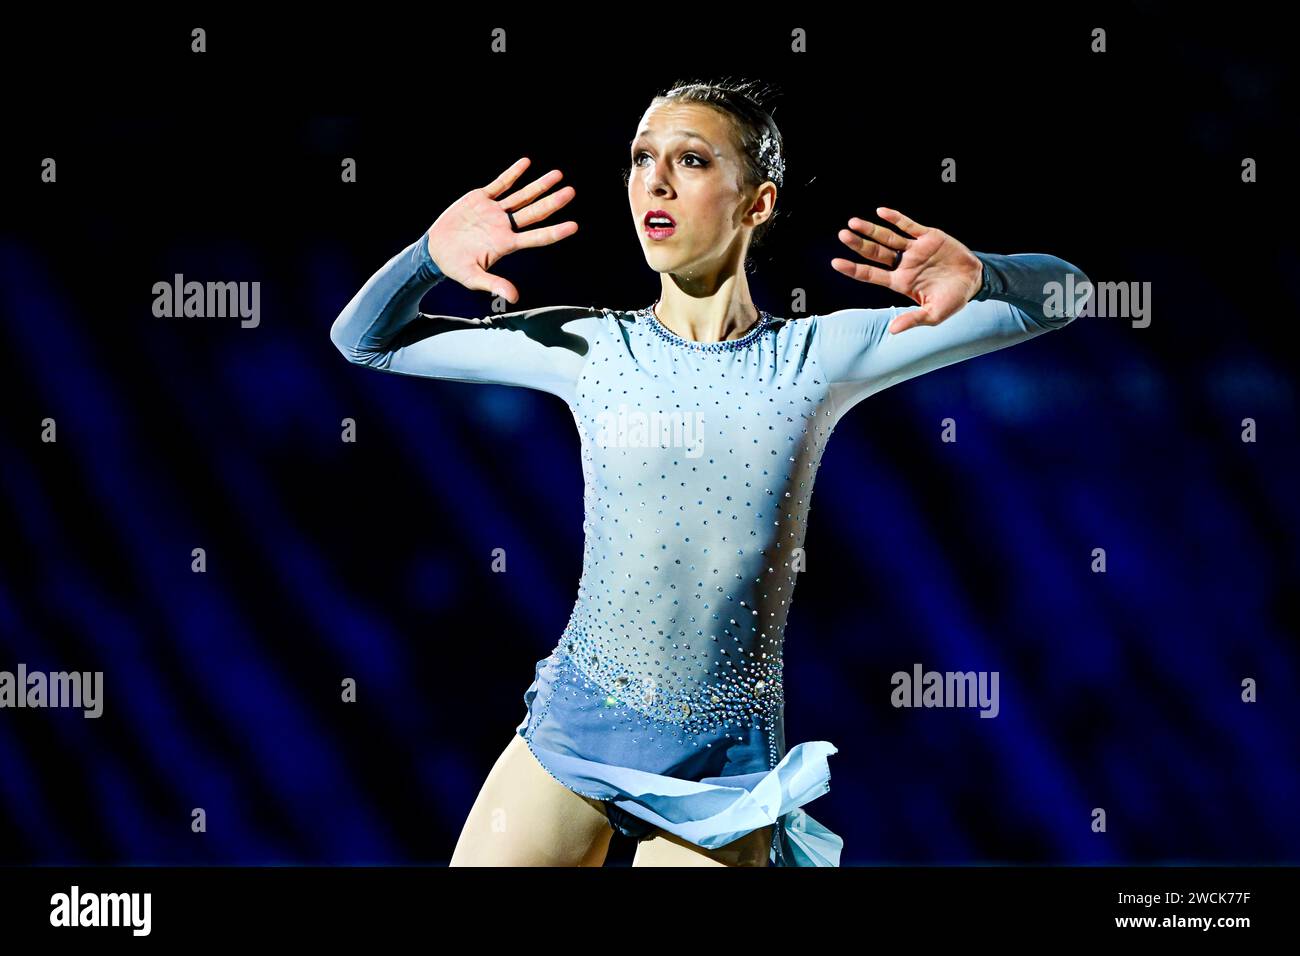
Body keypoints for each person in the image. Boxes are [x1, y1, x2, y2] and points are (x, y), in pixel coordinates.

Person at [329, 78, 1092, 867]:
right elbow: (366, 341)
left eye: (690, 160)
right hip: (573, 733)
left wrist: (989, 274)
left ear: (757, 203)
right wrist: (427, 257)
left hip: (721, 770)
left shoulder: (814, 358)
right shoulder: (586, 345)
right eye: (640, 159)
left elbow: (1065, 294)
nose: (653, 182)